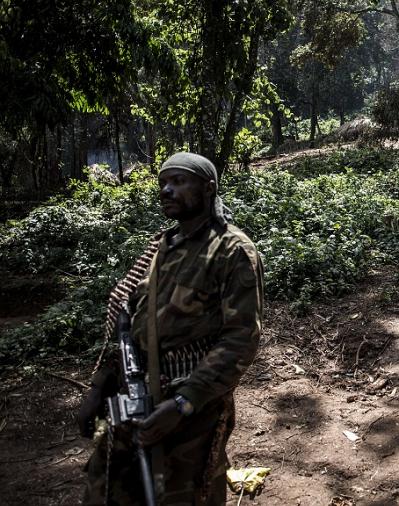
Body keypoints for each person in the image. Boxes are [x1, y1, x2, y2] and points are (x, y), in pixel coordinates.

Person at [78, 152, 265, 505]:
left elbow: (241, 338)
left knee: (184, 494)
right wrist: (97, 387)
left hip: (190, 410)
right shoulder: (161, 246)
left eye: (179, 181)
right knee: (110, 490)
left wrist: (184, 403)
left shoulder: (232, 250)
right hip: (131, 399)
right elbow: (125, 323)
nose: (166, 190)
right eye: (164, 182)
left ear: (208, 188)